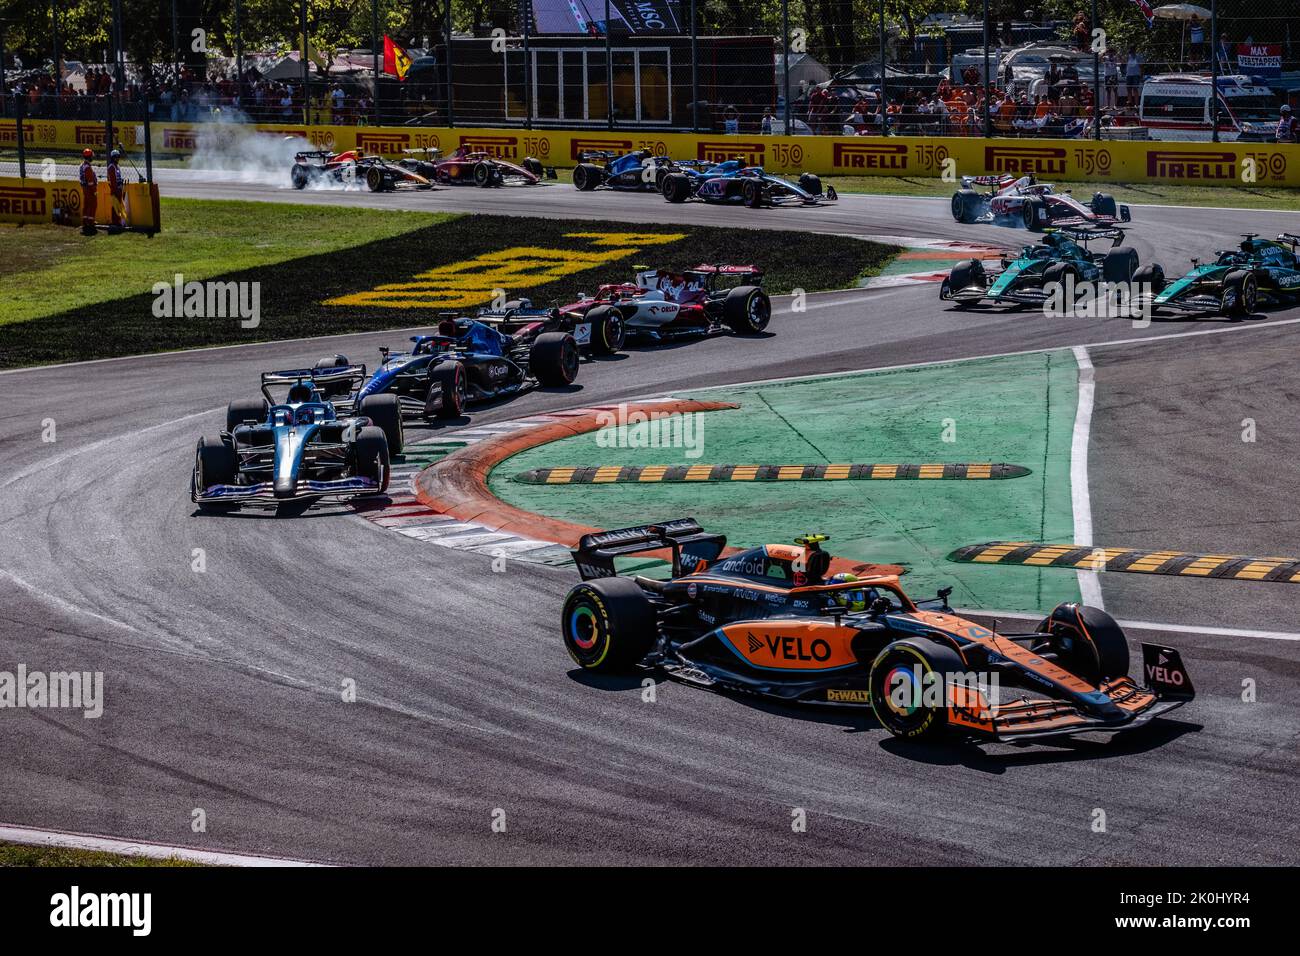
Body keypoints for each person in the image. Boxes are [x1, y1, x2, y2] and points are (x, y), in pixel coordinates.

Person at [77, 148, 98, 236]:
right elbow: (90, 181)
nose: (92, 157)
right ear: (89, 157)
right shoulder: (88, 167)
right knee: (93, 205)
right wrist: (95, 191)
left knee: (86, 205)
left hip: (85, 188)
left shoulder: (82, 165)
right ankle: (91, 222)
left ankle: (85, 221)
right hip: (89, 189)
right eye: (91, 156)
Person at [105, 148, 126, 232]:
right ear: (112, 158)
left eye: (118, 157)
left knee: (119, 206)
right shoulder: (111, 167)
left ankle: (119, 221)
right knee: (115, 207)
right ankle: (115, 222)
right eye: (115, 157)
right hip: (115, 190)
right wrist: (116, 189)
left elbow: (118, 178)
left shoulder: (117, 166)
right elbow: (112, 181)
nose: (117, 158)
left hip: (119, 188)